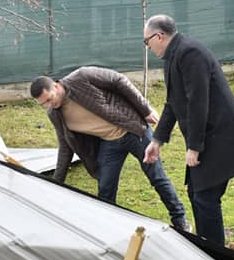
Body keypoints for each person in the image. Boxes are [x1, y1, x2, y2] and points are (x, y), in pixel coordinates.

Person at [141, 14, 234, 245]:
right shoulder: (173, 56)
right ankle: (206, 248)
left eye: (147, 41)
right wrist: (156, 141)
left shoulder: (190, 53)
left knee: (205, 197)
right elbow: (173, 103)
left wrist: (194, 147)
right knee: (197, 194)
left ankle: (215, 255)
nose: (148, 47)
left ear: (159, 36)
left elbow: (198, 101)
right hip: (209, 134)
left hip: (222, 135)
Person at [30, 67, 191, 231]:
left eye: (49, 99)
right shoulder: (54, 114)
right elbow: (65, 147)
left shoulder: (81, 77)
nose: (49, 105)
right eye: (43, 104)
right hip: (109, 143)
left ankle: (180, 219)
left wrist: (145, 109)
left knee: (157, 177)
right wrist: (56, 184)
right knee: (105, 189)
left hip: (133, 129)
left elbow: (118, 80)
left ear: (56, 86)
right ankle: (109, 228)